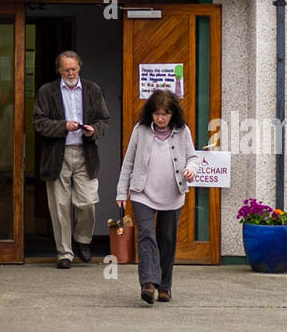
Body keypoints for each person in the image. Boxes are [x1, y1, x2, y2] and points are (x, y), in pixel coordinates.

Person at [115, 89, 201, 304]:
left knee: (168, 240)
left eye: (165, 114)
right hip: (142, 192)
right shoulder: (140, 129)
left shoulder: (183, 131)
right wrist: (121, 191)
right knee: (146, 235)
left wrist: (191, 170)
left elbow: (193, 157)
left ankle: (164, 286)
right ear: (150, 114)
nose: (160, 118)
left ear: (173, 114)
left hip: (172, 195)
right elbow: (129, 161)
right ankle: (148, 284)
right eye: (156, 114)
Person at [33, 51, 110, 268]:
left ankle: (83, 239)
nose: (70, 73)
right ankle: (64, 253)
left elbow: (104, 119)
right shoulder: (47, 91)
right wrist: (62, 126)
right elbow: (39, 122)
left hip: (85, 153)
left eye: (73, 69)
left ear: (80, 67)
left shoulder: (92, 90)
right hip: (58, 154)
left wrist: (93, 130)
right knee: (60, 206)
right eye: (66, 69)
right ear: (59, 70)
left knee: (87, 202)